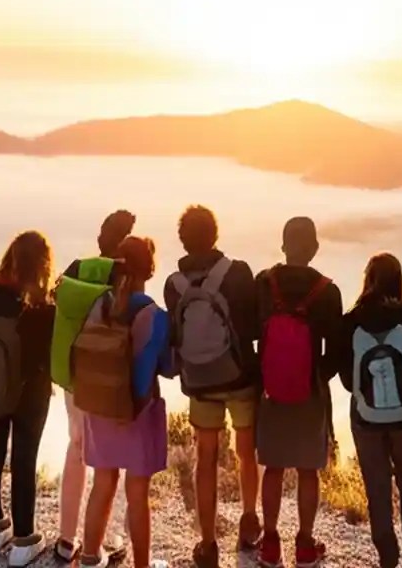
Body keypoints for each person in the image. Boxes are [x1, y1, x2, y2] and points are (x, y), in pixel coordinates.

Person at [162, 205, 261, 568]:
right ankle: (250, 522)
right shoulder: (237, 272)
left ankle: (207, 543)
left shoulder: (173, 284)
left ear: (183, 240)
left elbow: (175, 334)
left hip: (199, 381)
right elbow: (251, 326)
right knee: (246, 451)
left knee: (205, 457)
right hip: (239, 377)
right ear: (215, 234)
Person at [77, 236, 173, 568]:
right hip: (136, 410)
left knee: (103, 482)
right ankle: (142, 566)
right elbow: (168, 366)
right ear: (150, 268)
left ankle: (89, 557)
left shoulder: (100, 304)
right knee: (137, 493)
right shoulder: (153, 315)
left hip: (99, 405)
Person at [254, 217, 343, 568]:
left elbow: (252, 330)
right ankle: (305, 544)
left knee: (273, 468)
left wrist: (266, 374)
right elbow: (335, 348)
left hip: (271, 391)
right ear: (315, 248)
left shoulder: (265, 283)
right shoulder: (327, 290)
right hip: (310, 392)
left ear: (283, 246)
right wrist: (317, 377)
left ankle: (271, 543)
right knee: (308, 470)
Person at [0, 231, 57, 567]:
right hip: (30, 392)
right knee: (24, 459)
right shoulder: (41, 305)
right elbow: (47, 356)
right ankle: (23, 540)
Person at [53, 209, 136, 565]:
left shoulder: (75, 269)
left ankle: (66, 538)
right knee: (108, 460)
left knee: (77, 445)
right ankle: (102, 542)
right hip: (106, 379)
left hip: (71, 373)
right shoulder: (125, 277)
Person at [335, 253, 402, 568]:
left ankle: (387, 555)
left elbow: (348, 380)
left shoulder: (349, 323)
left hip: (366, 417)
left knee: (376, 485)